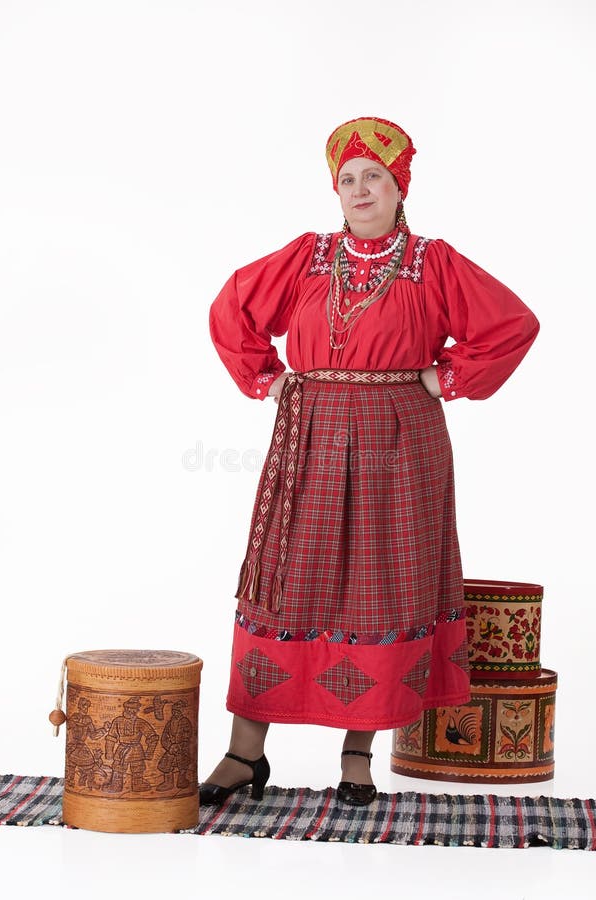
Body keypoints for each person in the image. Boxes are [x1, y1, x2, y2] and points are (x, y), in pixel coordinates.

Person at [203, 116, 539, 806]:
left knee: (381, 582)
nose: (359, 190)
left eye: (374, 177)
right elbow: (232, 306)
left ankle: (357, 756)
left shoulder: (433, 263)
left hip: (401, 440)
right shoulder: (308, 257)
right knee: (286, 578)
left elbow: (512, 324)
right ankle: (244, 753)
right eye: (348, 180)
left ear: (399, 187)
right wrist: (269, 380)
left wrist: (446, 378)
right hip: (311, 433)